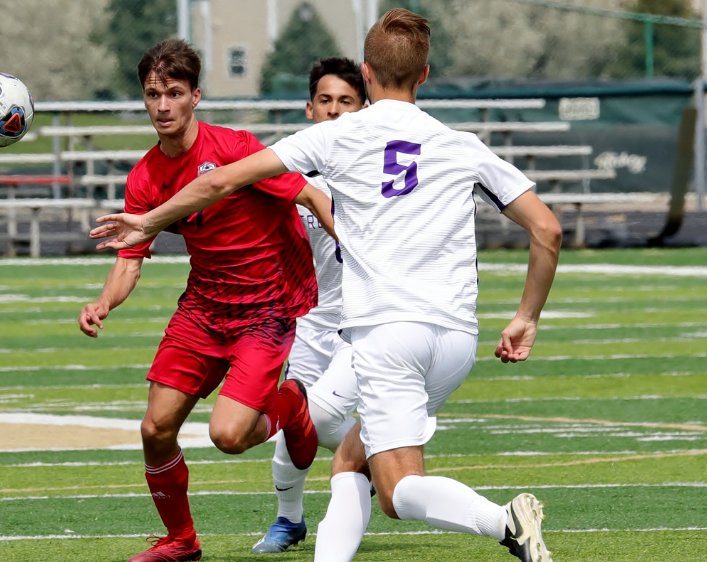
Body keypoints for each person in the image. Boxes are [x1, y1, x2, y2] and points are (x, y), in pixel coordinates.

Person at [89, 10, 561, 562]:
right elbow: (547, 229)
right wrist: (526, 317)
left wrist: (148, 222)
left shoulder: (337, 137)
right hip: (457, 341)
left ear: (365, 74)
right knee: (349, 463)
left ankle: (505, 522)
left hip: (386, 337)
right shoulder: (462, 144)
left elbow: (219, 179)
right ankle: (276, 517)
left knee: (399, 492)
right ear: (426, 74)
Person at [78, 38, 336, 562]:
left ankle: (294, 404)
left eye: (174, 93)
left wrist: (359, 249)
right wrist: (104, 302)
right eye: (153, 95)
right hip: (204, 308)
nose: (163, 106)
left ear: (196, 96)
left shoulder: (235, 149)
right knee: (155, 428)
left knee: (229, 436)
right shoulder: (146, 175)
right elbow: (130, 256)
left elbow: (309, 193)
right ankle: (181, 541)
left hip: (267, 308)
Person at [251, 57, 367, 555]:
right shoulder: (289, 170)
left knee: (312, 419)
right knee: (291, 424)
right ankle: (290, 520)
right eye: (326, 101)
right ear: (309, 108)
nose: (335, 111)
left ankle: (377, 460)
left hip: (365, 326)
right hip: (308, 324)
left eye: (347, 101)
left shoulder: (380, 167)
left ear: (364, 108)